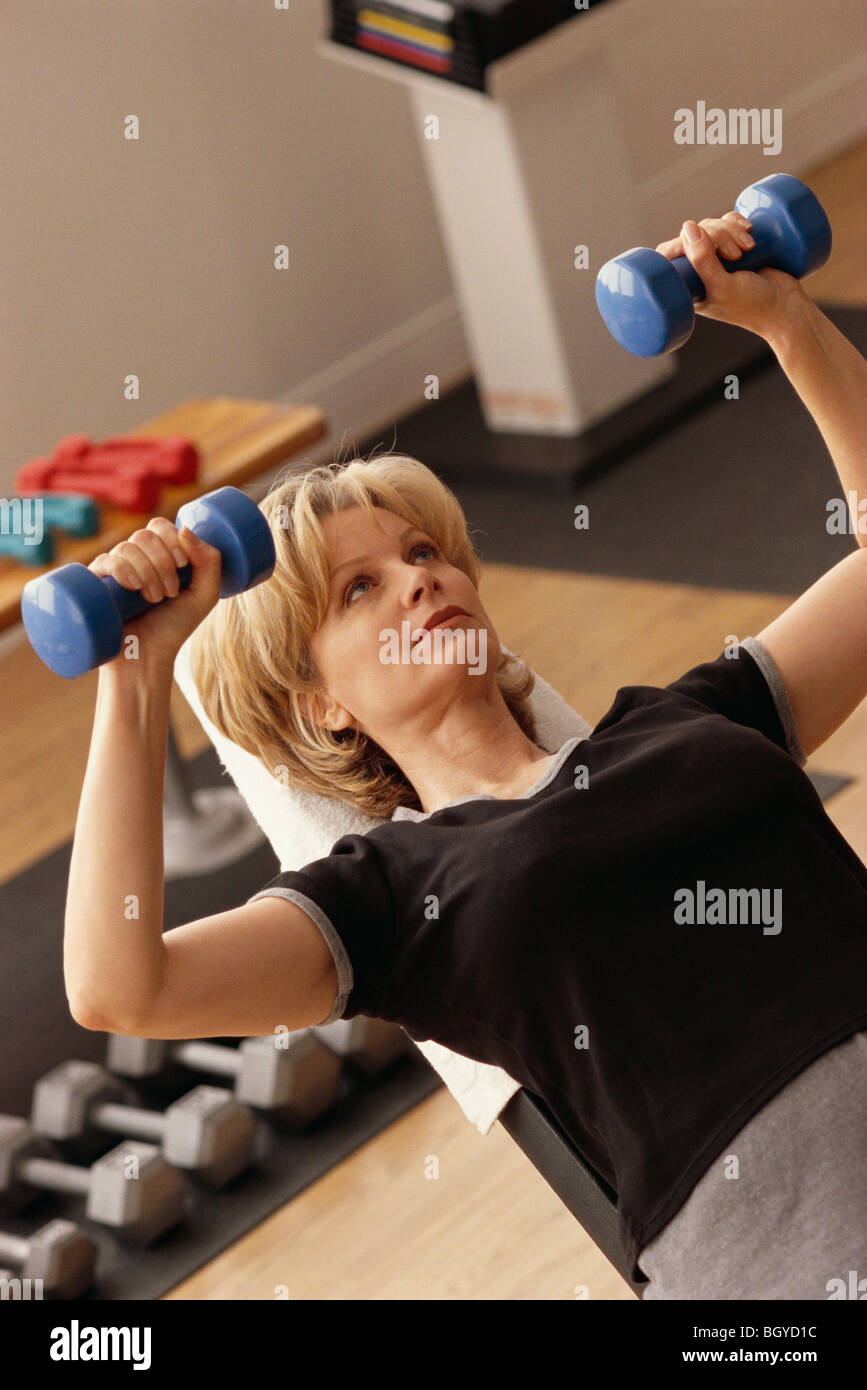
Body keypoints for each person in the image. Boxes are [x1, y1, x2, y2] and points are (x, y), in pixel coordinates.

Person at [65, 207, 867, 1299]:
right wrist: (135, 674)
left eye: (422, 551)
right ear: (323, 709)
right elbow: (121, 988)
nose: (418, 580)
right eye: (361, 589)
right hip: (786, 1259)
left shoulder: (688, 719)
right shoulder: (394, 897)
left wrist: (787, 323)